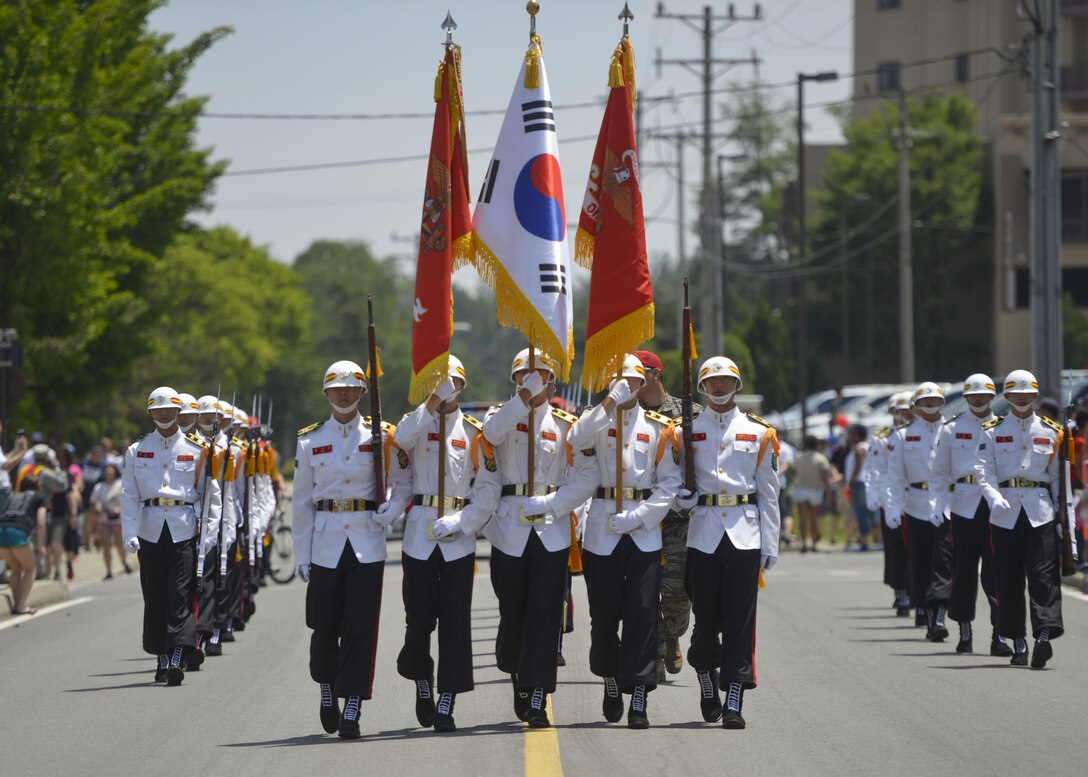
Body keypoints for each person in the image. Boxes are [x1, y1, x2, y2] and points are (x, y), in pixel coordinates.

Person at [528, 355, 681, 728]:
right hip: (601, 530)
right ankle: (611, 680)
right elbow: (575, 437)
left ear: (644, 383)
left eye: (633, 381)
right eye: (621, 381)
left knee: (643, 614)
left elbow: (669, 486)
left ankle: (640, 695)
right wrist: (610, 401)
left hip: (642, 530)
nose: (628, 387)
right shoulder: (594, 423)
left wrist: (639, 517)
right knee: (605, 617)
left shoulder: (660, 428)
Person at [293, 360, 411, 739]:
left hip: (366, 541)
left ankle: (353, 705)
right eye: (336, 387)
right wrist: (300, 554)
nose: (343, 393)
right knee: (324, 626)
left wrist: (390, 512)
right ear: (325, 393)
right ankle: (327, 687)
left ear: (363, 392)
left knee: (361, 628)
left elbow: (403, 481)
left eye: (351, 387)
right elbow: (301, 503)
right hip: (325, 541)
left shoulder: (385, 435)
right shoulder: (309, 440)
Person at [674, 356, 781, 730]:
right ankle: (706, 676)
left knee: (740, 621)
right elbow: (675, 484)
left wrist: (771, 543)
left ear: (736, 384)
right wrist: (683, 498)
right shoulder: (683, 431)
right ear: (701, 387)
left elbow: (769, 492)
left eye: (725, 381)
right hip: (703, 533)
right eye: (712, 381)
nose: (719, 387)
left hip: (745, 533)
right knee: (706, 618)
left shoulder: (759, 431)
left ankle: (734, 697)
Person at [476, 348, 577, 729]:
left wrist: (559, 504)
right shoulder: (498, 416)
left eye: (541, 377)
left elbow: (578, 474)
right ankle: (518, 672)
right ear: (515, 380)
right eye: (524, 376)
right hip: (509, 528)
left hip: (550, 524)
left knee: (545, 613)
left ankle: (538, 691)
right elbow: (491, 434)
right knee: (513, 609)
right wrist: (522, 398)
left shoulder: (566, 424)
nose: (533, 382)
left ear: (553, 382)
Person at [392, 356, 485, 733]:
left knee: (455, 623)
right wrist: (431, 402)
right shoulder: (416, 422)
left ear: (463, 386)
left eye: (454, 383)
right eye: (442, 383)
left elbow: (487, 489)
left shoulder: (475, 432)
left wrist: (465, 522)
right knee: (418, 622)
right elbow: (400, 439)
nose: (449, 388)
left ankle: (447, 699)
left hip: (457, 536)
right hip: (419, 536)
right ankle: (421, 680)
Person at [121, 386, 222, 686]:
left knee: (180, 592)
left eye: (169, 409)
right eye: (158, 409)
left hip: (183, 526)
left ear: (180, 412)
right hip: (149, 528)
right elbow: (128, 495)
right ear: (150, 412)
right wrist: (129, 533)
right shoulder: (136, 450)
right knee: (154, 595)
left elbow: (210, 496)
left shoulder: (198, 448)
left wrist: (210, 535)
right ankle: (161, 656)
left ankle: (178, 653)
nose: (164, 413)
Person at [976, 369, 1074, 668]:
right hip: (1005, 512)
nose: (1022, 397)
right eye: (1016, 393)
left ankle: (1042, 636)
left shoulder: (1051, 430)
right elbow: (984, 470)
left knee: (1044, 576)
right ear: (1006, 396)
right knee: (1009, 578)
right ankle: (1017, 641)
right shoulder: (992, 429)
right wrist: (993, 497)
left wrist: (1063, 520)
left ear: (1035, 396)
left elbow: (1059, 480)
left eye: (1027, 393)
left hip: (1040, 511)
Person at [928, 374, 1012, 657]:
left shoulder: (1002, 427)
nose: (979, 399)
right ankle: (964, 631)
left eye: (984, 395)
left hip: (994, 506)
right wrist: (938, 505)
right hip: (962, 505)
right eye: (973, 395)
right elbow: (939, 473)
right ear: (965, 398)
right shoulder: (952, 429)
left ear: (992, 397)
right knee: (962, 571)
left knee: (996, 571)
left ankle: (999, 634)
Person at [633, 348, 701, 679]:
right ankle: (655, 653)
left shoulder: (690, 413)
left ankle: (671, 633)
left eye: (637, 373)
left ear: (655, 375)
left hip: (678, 521)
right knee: (642, 594)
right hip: (640, 518)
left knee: (677, 594)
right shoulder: (625, 414)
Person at [887, 382, 953, 641]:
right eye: (924, 402)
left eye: (934, 401)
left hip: (948, 503)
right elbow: (894, 476)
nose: (930, 406)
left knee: (944, 560)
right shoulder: (904, 435)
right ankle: (925, 608)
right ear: (915, 407)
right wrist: (893, 508)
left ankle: (938, 611)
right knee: (920, 559)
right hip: (915, 504)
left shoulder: (951, 430)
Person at [865, 392, 909, 615]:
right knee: (895, 548)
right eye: (898, 410)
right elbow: (874, 469)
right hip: (889, 498)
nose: (902, 415)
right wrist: (872, 494)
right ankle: (901, 592)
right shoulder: (883, 436)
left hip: (916, 497)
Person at [0, 474, 48, 614]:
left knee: (15, 568)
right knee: (30, 568)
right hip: (18, 531)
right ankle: (21, 605)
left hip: (1, 530)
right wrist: (40, 545)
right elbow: (41, 522)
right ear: (37, 486)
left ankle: (17, 604)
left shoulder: (13, 496)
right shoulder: (40, 497)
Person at [792, 436, 835, 553]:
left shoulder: (799, 457)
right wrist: (829, 492)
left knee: (802, 518)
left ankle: (804, 543)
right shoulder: (820, 458)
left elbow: (794, 473)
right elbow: (825, 477)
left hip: (800, 489)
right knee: (814, 518)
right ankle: (814, 543)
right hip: (815, 489)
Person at [90, 464, 130, 580]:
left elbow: (127, 500)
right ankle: (108, 570)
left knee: (119, 544)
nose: (108, 474)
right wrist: (97, 509)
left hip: (117, 519)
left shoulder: (120, 484)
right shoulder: (99, 487)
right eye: (106, 472)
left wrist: (119, 509)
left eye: (111, 472)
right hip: (104, 519)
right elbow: (94, 501)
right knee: (106, 546)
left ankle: (124, 561)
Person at [844, 425, 873, 551]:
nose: (850, 436)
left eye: (852, 433)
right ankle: (865, 539)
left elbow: (858, 467)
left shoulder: (860, 448)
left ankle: (865, 541)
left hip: (859, 482)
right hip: (861, 482)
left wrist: (851, 482)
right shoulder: (858, 447)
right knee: (862, 513)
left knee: (861, 513)